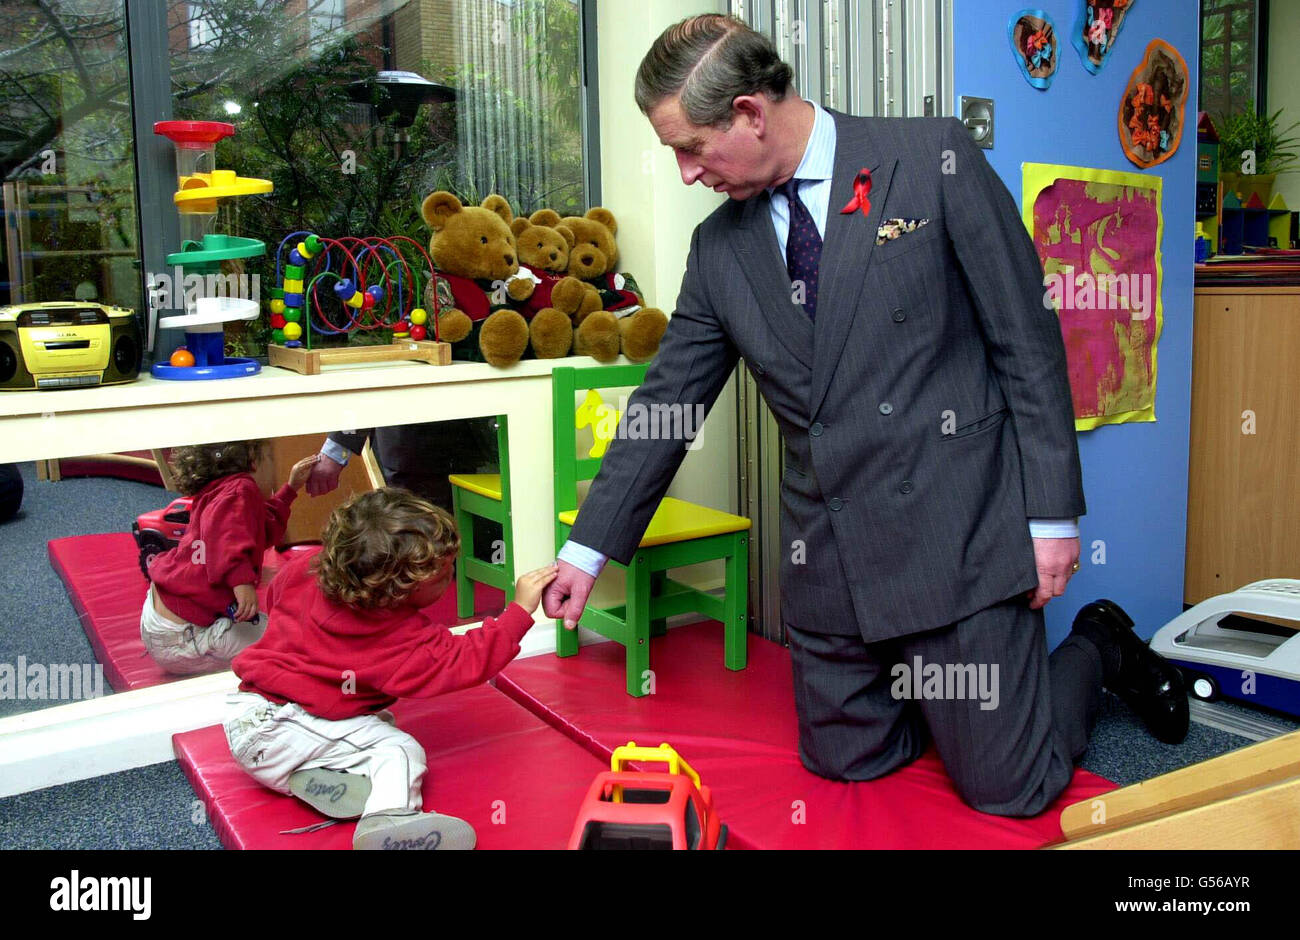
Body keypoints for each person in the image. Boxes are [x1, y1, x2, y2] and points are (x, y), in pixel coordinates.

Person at [543, 14, 1187, 818]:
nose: (682, 173)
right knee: (847, 764)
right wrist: (588, 547)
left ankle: (1098, 647)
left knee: (1010, 790)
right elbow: (668, 405)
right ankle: (940, 701)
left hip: (959, 537)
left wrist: (1052, 514)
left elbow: (1027, 339)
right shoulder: (719, 250)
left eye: (691, 147)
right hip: (833, 561)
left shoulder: (932, 159)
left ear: (748, 112)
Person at [224, 487, 558, 850]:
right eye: (443, 574)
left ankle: (322, 776)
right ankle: (389, 820)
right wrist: (520, 611)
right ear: (398, 591)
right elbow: (466, 660)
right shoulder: (397, 635)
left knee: (376, 722)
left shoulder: (305, 568)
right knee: (397, 749)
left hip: (247, 717)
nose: (452, 574)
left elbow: (275, 603)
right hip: (278, 735)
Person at [141, 440, 317, 675]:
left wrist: (291, 489)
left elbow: (258, 530)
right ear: (254, 461)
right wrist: (241, 581)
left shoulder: (224, 491)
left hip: (161, 623)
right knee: (286, 641)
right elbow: (225, 535)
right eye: (270, 460)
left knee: (274, 627)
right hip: (181, 638)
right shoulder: (240, 489)